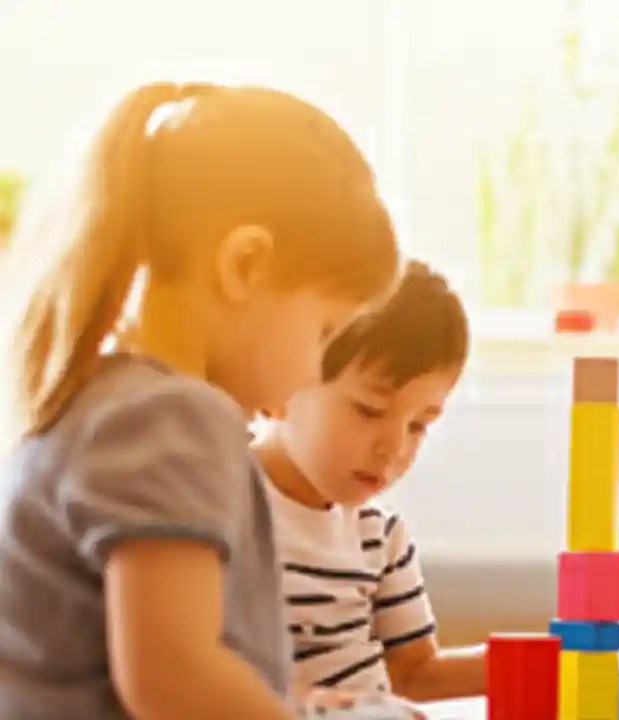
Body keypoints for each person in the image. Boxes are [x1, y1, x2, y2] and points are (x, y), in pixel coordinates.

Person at [0, 82, 400, 719]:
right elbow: (174, 678)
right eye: (323, 331)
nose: (313, 371)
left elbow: (161, 649)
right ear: (245, 264)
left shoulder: (95, 401)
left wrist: (301, 703)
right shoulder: (173, 418)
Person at [252, 260, 488, 705]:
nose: (394, 448)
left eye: (419, 425)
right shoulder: (219, 501)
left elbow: (414, 672)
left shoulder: (380, 537)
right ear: (283, 385)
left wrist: (546, 659)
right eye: (369, 410)